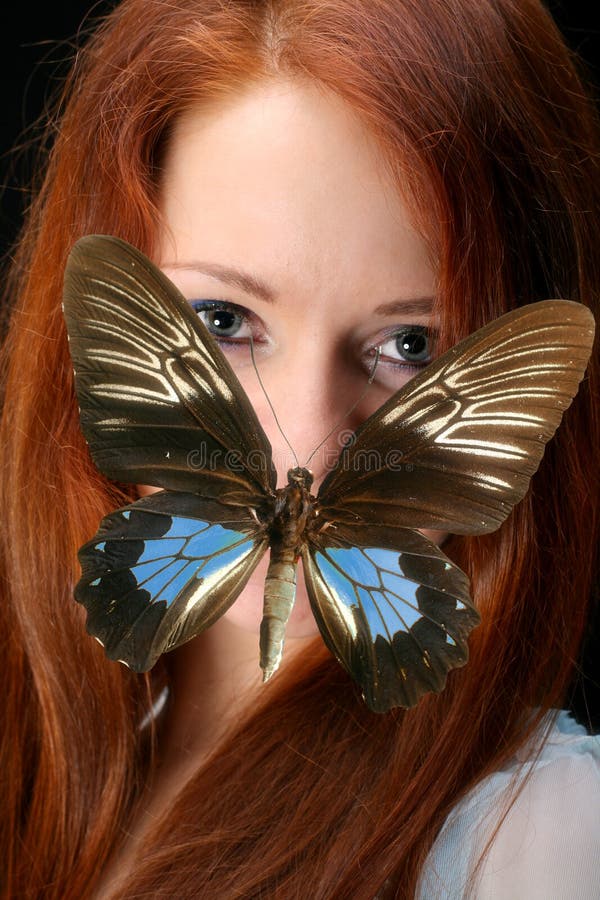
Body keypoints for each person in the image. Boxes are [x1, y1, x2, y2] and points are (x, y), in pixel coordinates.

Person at [1, 1, 599, 897]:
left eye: (412, 347)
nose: (307, 462)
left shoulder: (535, 836)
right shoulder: (36, 731)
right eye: (225, 322)